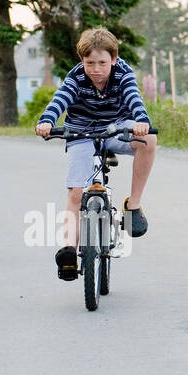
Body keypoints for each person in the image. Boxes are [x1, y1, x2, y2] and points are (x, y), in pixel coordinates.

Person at [34, 27, 156, 280]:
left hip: (116, 127)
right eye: (90, 63)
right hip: (80, 132)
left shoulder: (123, 73)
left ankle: (133, 204)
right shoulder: (76, 77)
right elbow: (60, 99)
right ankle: (68, 249)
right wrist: (47, 120)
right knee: (76, 192)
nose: (96, 69)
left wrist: (141, 121)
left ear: (113, 59)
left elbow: (134, 98)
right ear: (82, 61)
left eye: (102, 62)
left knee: (148, 140)